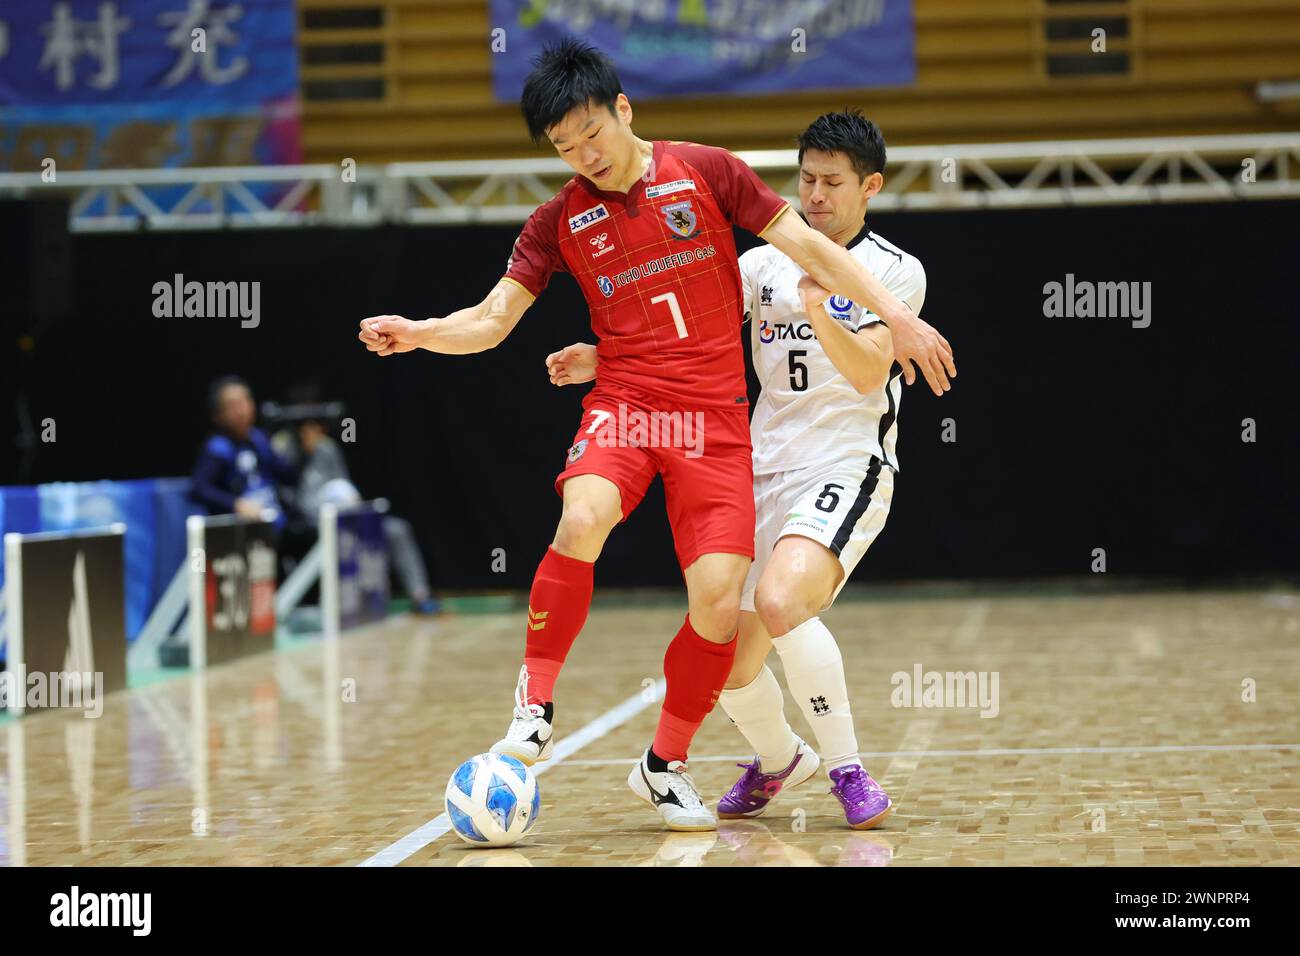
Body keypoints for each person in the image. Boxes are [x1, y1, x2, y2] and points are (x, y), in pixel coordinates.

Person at [359, 40, 954, 831]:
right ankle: (534, 707)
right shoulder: (558, 220)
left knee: (719, 604)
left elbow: (809, 249)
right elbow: (493, 319)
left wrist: (903, 319)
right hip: (631, 407)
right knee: (583, 517)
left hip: (716, 424)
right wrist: (424, 331)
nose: (584, 157)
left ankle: (667, 764)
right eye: (564, 149)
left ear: (623, 109)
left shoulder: (707, 171)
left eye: (591, 135)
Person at [549, 110, 935, 830]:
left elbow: (864, 372)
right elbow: (685, 340)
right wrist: (602, 360)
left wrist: (820, 307)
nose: (815, 195)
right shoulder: (759, 264)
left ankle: (849, 772)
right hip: (756, 461)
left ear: (870, 187)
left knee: (784, 601)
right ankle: (780, 756)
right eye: (807, 180)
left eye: (833, 183)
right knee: (721, 647)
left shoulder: (892, 270)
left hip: (845, 462)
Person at [295, 419, 440, 615]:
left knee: (397, 529)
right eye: (308, 431)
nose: (315, 437)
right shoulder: (291, 457)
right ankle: (334, 605)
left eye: (318, 430)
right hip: (322, 524)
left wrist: (353, 503)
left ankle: (419, 595)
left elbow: (346, 489)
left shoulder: (329, 451)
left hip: (352, 517)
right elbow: (303, 505)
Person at [190, 376, 298, 529]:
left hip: (277, 521)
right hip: (243, 530)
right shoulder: (218, 449)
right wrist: (235, 504)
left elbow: (288, 476)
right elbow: (200, 489)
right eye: (232, 406)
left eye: (244, 402)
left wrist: (303, 448)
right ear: (218, 416)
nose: (240, 411)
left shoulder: (260, 440)